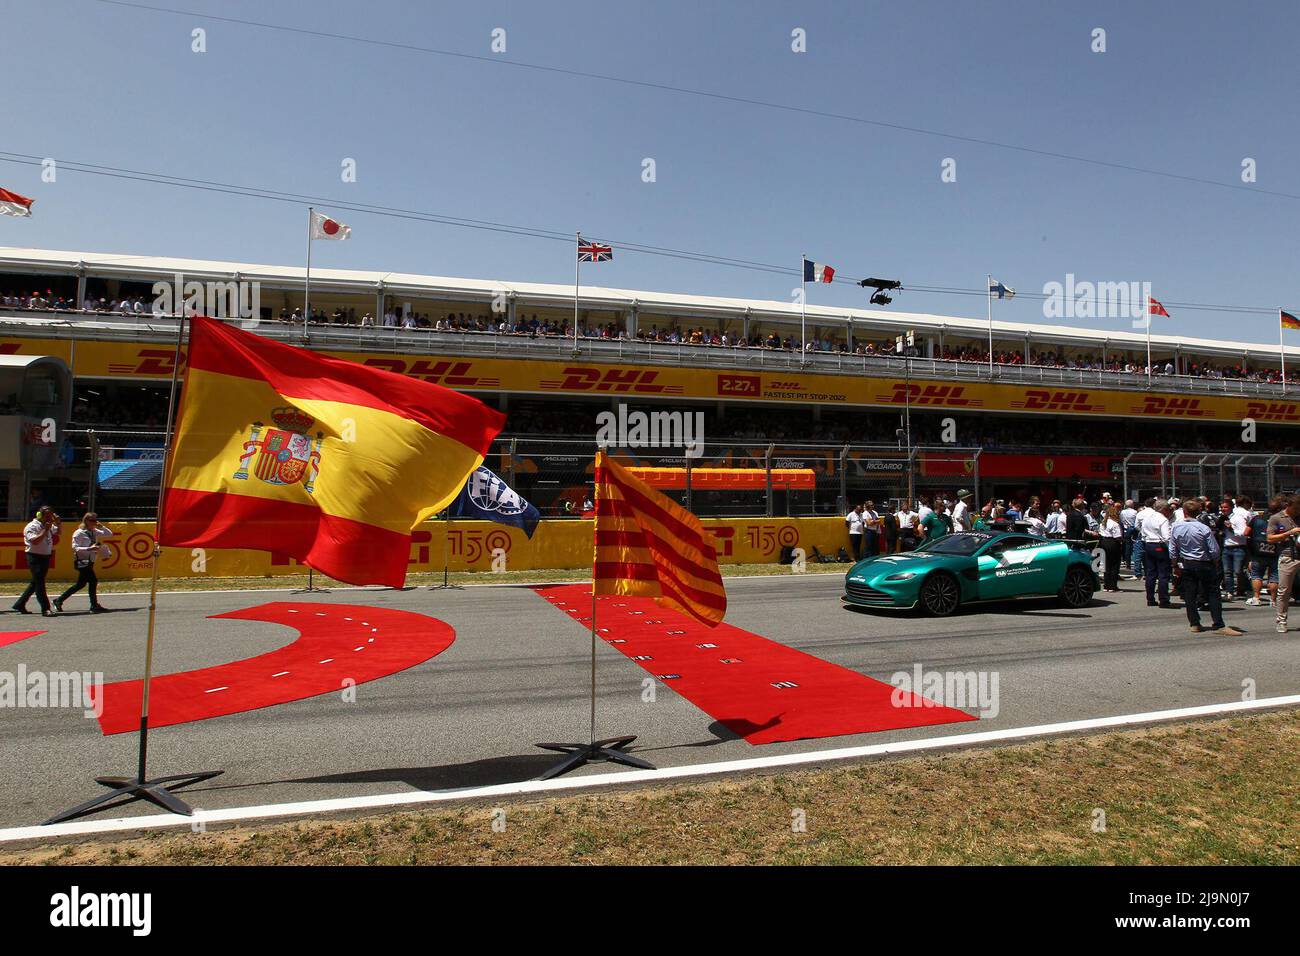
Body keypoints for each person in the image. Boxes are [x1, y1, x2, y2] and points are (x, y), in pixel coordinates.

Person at [1170, 499, 1243, 635]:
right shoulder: (1203, 528)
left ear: (1184, 512)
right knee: (1213, 593)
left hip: (1187, 562)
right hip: (1204, 562)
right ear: (1198, 512)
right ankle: (1218, 624)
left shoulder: (1176, 526)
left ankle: (1194, 623)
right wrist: (1215, 561)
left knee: (1190, 594)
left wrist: (1174, 564)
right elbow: (1214, 549)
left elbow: (1173, 548)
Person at [53, 513, 113, 613]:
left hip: (90, 560)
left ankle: (59, 600)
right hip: (82, 561)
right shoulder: (79, 533)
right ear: (86, 521)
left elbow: (109, 534)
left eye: (95, 520)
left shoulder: (94, 531)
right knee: (93, 581)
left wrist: (101, 526)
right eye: (92, 520)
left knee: (80, 584)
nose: (94, 522)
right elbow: (75, 548)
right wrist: (89, 548)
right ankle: (94, 605)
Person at [12, 507, 59, 616]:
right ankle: (45, 608)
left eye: (50, 516)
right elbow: (35, 541)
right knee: (40, 583)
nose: (49, 518)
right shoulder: (32, 526)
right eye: (47, 516)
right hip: (34, 557)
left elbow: (59, 532)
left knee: (36, 583)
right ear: (40, 515)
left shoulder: (48, 525)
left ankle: (20, 604)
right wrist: (45, 530)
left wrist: (58, 523)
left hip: (45, 556)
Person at [1268, 497, 1300, 634]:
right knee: (1284, 591)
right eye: (1297, 508)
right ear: (1290, 506)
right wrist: (1289, 533)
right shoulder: (1276, 518)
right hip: (1288, 557)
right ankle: (1281, 621)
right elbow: (1269, 538)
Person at [1139, 498, 1173, 608]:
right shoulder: (1163, 519)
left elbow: (1142, 532)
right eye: (1168, 509)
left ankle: (1150, 598)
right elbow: (1166, 537)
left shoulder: (1147, 517)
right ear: (1163, 509)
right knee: (1163, 574)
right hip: (1160, 546)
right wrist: (1171, 550)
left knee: (1150, 573)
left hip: (1149, 544)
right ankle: (1164, 599)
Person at [1247, 497, 1280, 607]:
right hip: (1275, 550)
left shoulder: (1257, 519)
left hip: (1259, 550)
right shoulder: (1280, 520)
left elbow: (1246, 532)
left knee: (1256, 575)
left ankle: (1256, 597)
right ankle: (1273, 600)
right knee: (1274, 576)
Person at [1221, 496, 1252, 600]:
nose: (1223, 509)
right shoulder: (1223, 518)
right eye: (1222, 507)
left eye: (1225, 507)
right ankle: (1229, 592)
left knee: (1239, 571)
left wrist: (1231, 529)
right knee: (1227, 572)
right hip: (1226, 547)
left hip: (1238, 547)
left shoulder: (1237, 518)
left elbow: (1244, 533)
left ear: (1231, 507)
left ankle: (1246, 589)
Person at [1099, 504, 1124, 592]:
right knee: (1114, 565)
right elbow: (1117, 536)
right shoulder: (1115, 524)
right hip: (1113, 543)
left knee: (1106, 564)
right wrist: (1121, 541)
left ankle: (1106, 585)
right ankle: (1113, 586)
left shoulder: (1103, 522)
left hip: (1104, 542)